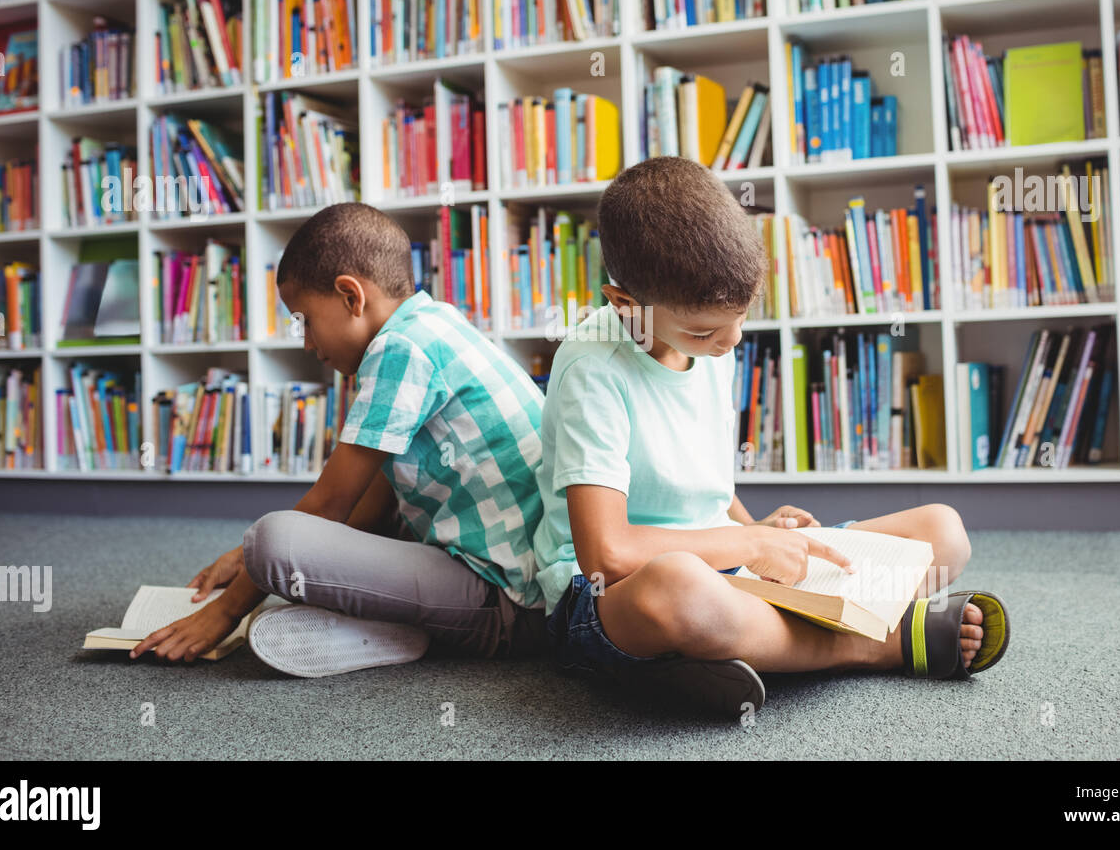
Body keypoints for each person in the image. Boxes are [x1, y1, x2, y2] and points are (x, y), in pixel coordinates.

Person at [531, 157, 1010, 716]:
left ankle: (727, 652)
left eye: (743, 317)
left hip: (720, 561)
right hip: (605, 597)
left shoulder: (708, 338)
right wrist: (751, 546)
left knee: (942, 532)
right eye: (707, 330)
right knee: (682, 589)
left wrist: (752, 527)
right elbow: (607, 554)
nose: (731, 342)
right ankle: (874, 644)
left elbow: (698, 481)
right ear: (625, 304)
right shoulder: (594, 368)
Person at [132, 202, 549, 675]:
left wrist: (225, 610)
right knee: (278, 547)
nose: (308, 344)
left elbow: (329, 506)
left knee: (275, 539)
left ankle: (390, 626)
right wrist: (244, 559)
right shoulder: (432, 324)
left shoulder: (400, 349)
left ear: (351, 296)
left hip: (509, 606)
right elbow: (369, 502)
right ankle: (382, 623)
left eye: (305, 319)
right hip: (513, 590)